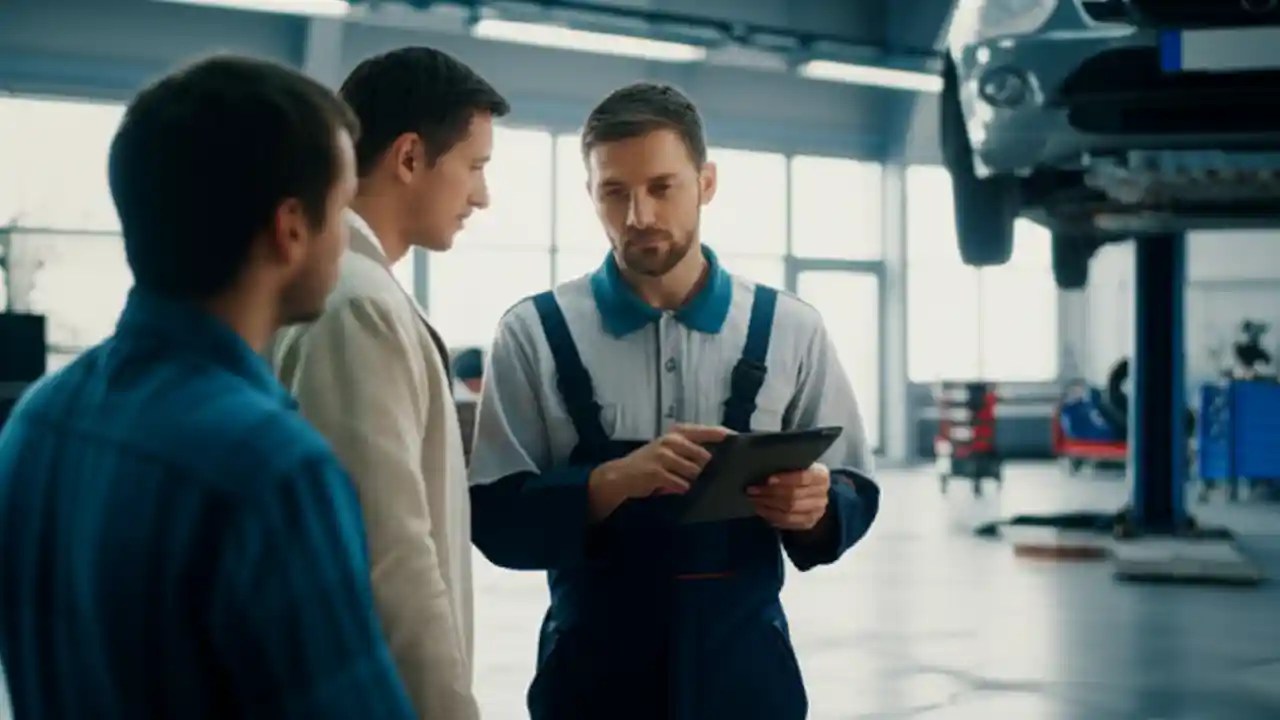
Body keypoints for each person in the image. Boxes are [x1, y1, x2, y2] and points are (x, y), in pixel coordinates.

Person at [0, 56, 414, 719]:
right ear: (290, 229)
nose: (346, 238)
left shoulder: (38, 419)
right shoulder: (273, 469)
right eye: (341, 208)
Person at [468, 82, 881, 719]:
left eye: (662, 187)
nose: (638, 215)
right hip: (592, 688)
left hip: (746, 685)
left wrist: (817, 507)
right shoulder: (535, 333)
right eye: (614, 192)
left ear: (706, 183)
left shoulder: (789, 329)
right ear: (590, 193)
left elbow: (854, 486)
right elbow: (495, 518)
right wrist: (609, 483)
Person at [269, 46, 508, 720]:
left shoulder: (343, 288)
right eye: (475, 166)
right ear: (409, 157)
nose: (482, 196)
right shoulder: (358, 306)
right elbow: (388, 560)